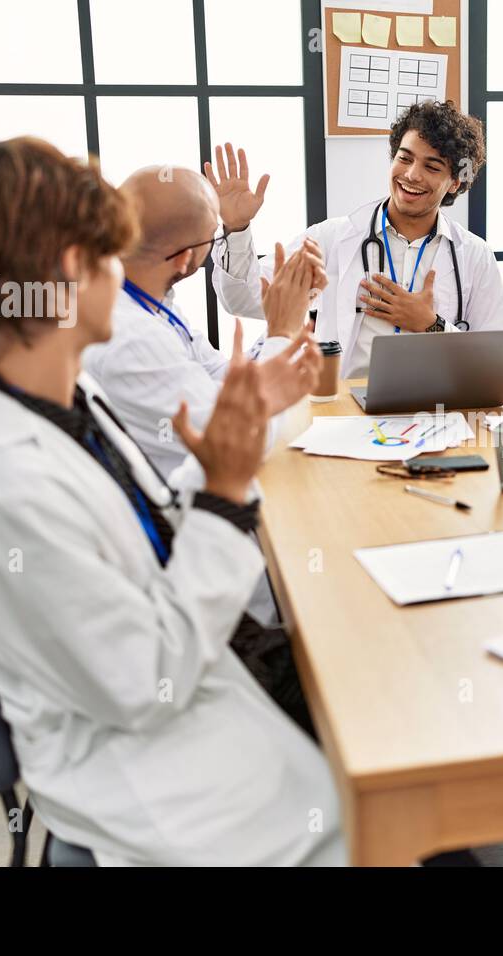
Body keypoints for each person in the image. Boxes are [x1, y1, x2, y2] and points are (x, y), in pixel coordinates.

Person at [0, 137, 341, 865]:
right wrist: (229, 488)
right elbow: (150, 678)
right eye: (116, 256)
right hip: (154, 777)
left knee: (355, 675)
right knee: (386, 770)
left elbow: (154, 524)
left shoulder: (64, 396)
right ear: (78, 269)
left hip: (195, 681)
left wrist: (221, 457)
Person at [81, 166, 328, 732]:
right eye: (212, 241)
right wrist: (285, 330)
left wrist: (276, 330)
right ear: (187, 259)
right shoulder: (128, 338)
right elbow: (240, 435)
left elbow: (223, 375)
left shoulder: (145, 301)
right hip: (207, 579)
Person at [208, 100, 503, 379]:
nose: (411, 175)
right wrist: (236, 228)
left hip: (436, 412)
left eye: (431, 167)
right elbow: (243, 299)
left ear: (455, 183)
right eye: (404, 158)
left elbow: (496, 361)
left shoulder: (474, 255)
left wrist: (431, 324)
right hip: (344, 414)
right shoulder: (330, 240)